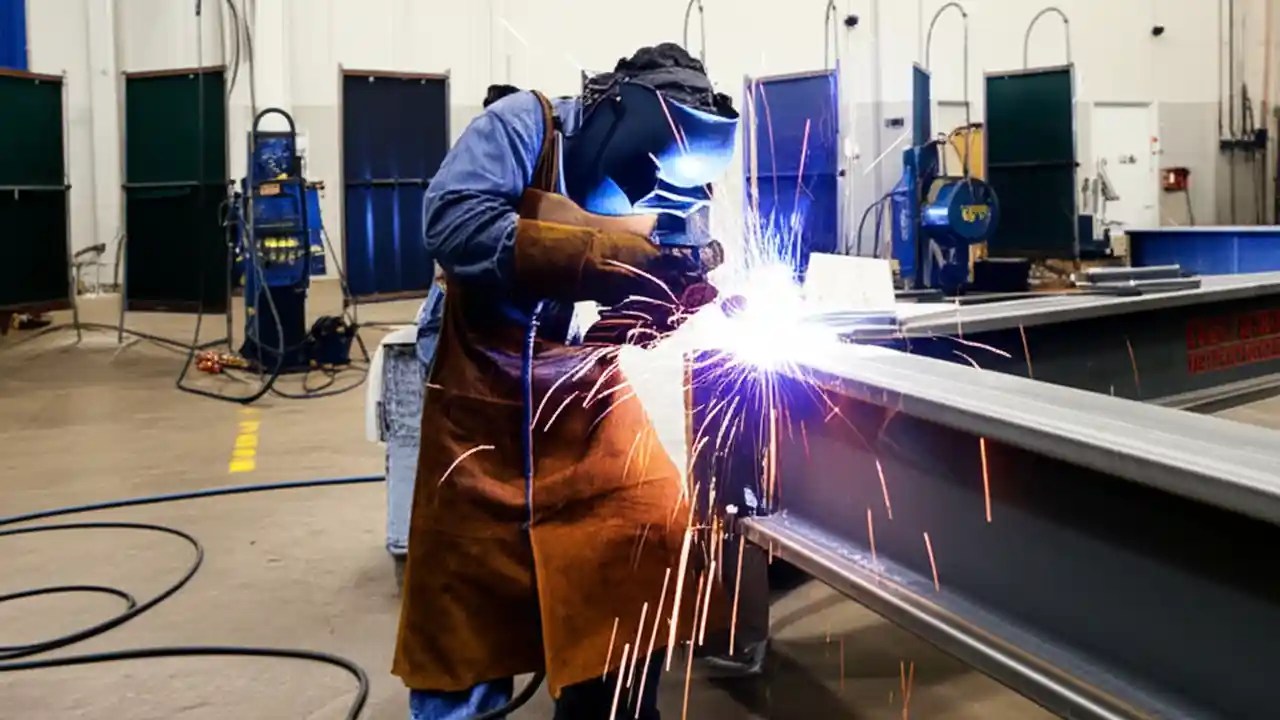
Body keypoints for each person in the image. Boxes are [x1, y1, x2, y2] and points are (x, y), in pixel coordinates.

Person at [395, 44, 740, 720]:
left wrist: (672, 297)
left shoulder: (683, 174)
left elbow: (658, 276)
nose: (667, 206)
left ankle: (609, 704)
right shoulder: (525, 126)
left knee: (641, 532)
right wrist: (604, 256)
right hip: (481, 382)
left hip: (580, 380)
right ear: (619, 127)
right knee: (467, 593)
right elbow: (451, 222)